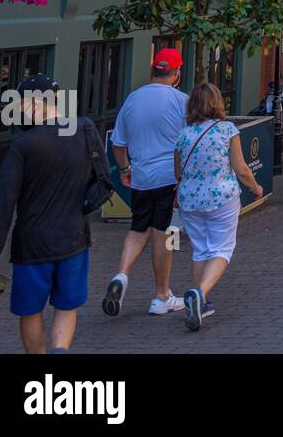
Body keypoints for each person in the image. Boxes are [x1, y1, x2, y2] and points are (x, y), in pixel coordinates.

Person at [0, 75, 101, 354]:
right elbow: (102, 182)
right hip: (75, 237)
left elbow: (2, 208)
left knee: (30, 310)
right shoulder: (84, 129)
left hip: (31, 244)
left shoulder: (23, 146)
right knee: (66, 305)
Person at [104, 48, 189, 318]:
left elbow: (118, 144)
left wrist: (125, 169)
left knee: (139, 228)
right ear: (176, 73)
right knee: (166, 234)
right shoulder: (182, 101)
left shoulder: (132, 99)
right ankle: (162, 295)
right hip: (170, 178)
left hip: (140, 176)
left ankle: (121, 274)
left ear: (153, 70)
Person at [173, 83, 263, 331]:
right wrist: (255, 187)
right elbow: (241, 168)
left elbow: (178, 171)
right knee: (222, 249)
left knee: (200, 249)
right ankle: (199, 293)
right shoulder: (227, 130)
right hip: (222, 196)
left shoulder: (184, 134)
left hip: (190, 198)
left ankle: (201, 303)